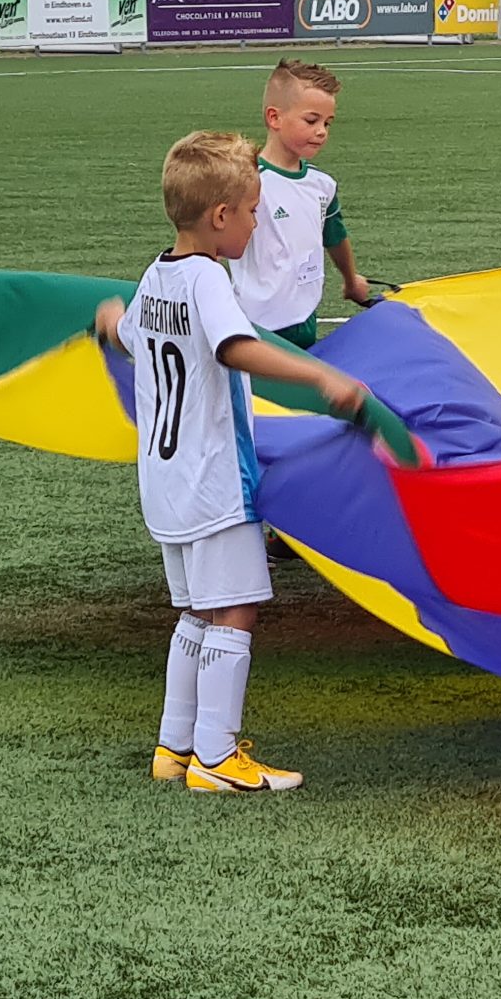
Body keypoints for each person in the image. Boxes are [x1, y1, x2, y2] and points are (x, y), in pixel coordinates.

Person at [94, 131, 370, 792]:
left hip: (165, 481)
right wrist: (318, 376)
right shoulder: (206, 278)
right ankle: (216, 758)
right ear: (220, 216)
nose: (255, 223)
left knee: (197, 612)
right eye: (251, 212)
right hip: (214, 478)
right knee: (238, 609)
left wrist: (108, 322)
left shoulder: (156, 275)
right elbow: (233, 347)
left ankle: (174, 747)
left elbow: (127, 336)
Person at [229, 59, 374, 350]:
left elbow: (334, 236)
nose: (321, 131)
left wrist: (351, 280)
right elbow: (213, 242)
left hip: (305, 319)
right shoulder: (245, 181)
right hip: (255, 327)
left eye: (327, 123)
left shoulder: (322, 185)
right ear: (274, 118)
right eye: (311, 121)